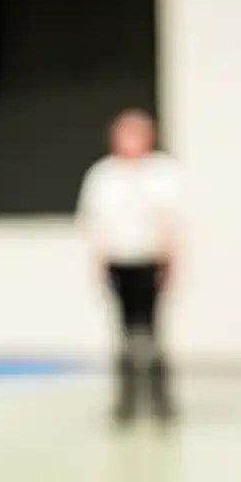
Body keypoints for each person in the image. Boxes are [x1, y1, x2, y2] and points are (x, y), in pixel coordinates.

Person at [76, 109, 183, 426]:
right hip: (117, 261)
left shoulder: (162, 173)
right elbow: (92, 223)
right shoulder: (103, 176)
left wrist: (171, 261)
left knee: (151, 333)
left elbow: (173, 223)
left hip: (150, 260)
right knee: (124, 333)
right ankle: (126, 401)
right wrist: (98, 262)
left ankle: (160, 400)